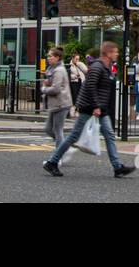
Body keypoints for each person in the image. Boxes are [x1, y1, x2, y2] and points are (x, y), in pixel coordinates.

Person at [43, 41, 133, 179]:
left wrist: (100, 106)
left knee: (109, 134)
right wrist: (96, 106)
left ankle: (117, 167)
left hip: (100, 108)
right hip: (89, 107)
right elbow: (90, 86)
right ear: (108, 53)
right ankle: (52, 162)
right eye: (115, 52)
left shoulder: (106, 67)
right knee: (74, 136)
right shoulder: (98, 67)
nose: (117, 54)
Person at [40, 47, 72, 146]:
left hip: (61, 104)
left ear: (57, 57)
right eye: (48, 56)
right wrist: (48, 83)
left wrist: (44, 89)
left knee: (57, 131)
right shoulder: (52, 69)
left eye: (50, 56)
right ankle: (64, 145)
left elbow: (56, 89)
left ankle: (58, 157)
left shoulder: (59, 70)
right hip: (55, 104)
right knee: (49, 129)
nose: (48, 58)